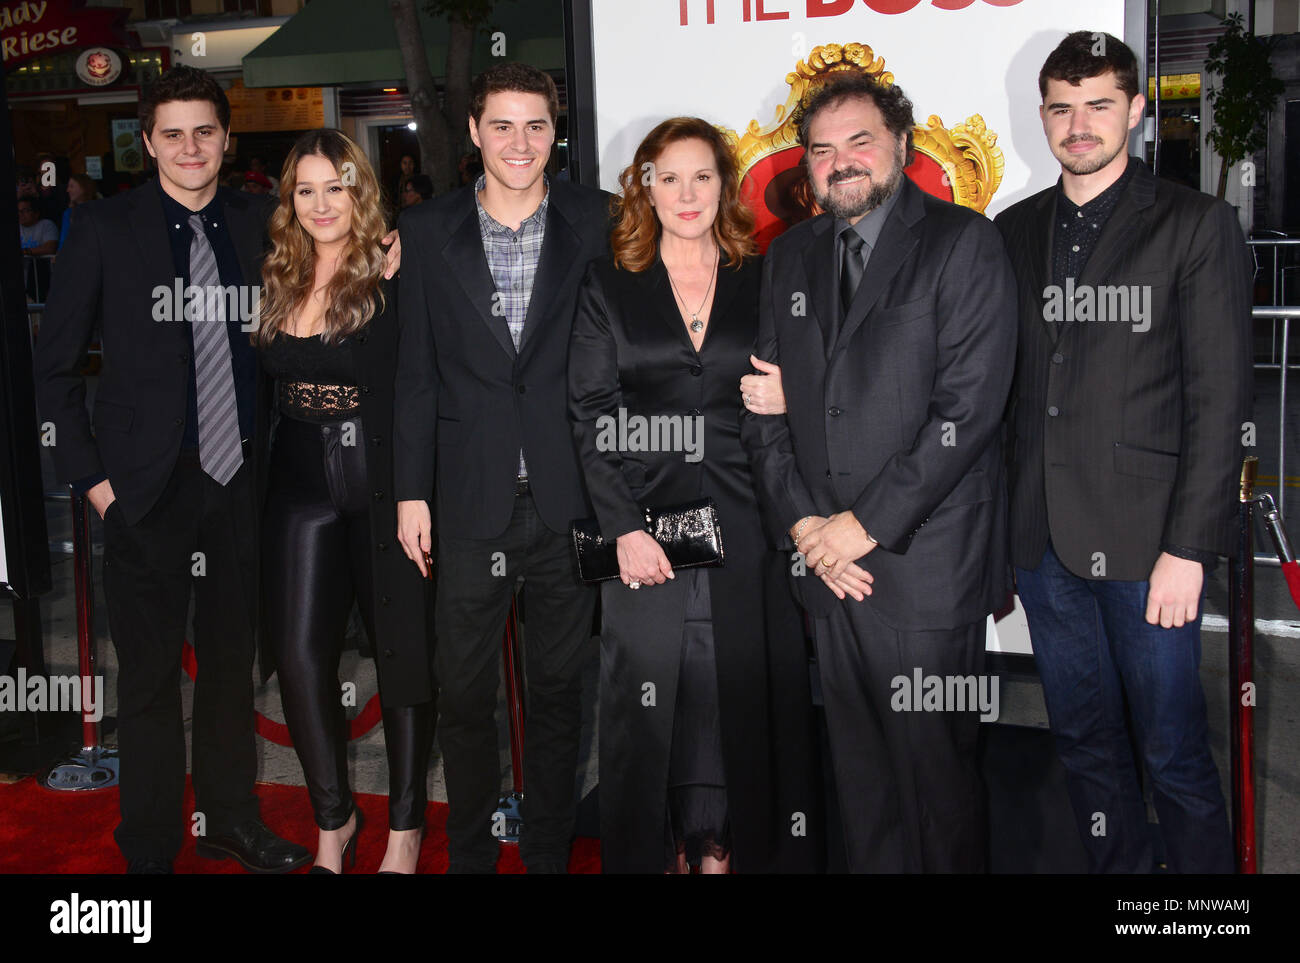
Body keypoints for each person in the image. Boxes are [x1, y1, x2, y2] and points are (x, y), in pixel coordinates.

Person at [33, 65, 398, 874]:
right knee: (152, 681)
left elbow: (336, 260)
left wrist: (388, 250)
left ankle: (230, 818)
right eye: (173, 133)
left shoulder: (261, 223)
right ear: (149, 142)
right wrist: (95, 485)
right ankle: (153, 844)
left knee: (236, 668)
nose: (190, 147)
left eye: (206, 131)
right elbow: (52, 371)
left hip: (244, 487)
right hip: (141, 492)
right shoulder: (104, 229)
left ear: (227, 140)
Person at [742, 71, 1017, 873]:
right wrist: (804, 528)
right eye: (821, 150)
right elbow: (763, 409)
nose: (840, 162)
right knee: (858, 782)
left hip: (921, 567)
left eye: (859, 141)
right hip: (826, 569)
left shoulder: (964, 243)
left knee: (937, 783)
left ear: (900, 142)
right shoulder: (788, 256)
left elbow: (965, 413)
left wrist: (857, 529)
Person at [993, 32, 1251, 874]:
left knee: (1174, 753)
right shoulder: (1014, 229)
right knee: (1083, 743)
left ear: (1137, 111)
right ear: (1042, 117)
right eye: (1062, 108)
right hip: (1043, 544)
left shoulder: (1195, 225)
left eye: (1099, 104)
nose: (1079, 125)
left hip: (1150, 546)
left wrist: (1191, 546)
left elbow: (1219, 401)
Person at [569, 117, 822, 873]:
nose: (686, 193)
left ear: (725, 186)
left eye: (702, 176)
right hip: (646, 527)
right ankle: (666, 849)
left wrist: (791, 398)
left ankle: (727, 850)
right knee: (654, 704)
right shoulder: (609, 281)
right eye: (668, 177)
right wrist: (623, 527)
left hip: (749, 521)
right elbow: (590, 412)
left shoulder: (763, 275)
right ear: (644, 186)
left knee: (736, 692)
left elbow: (801, 379)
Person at [394, 62, 610, 873]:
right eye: (503, 125)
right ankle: (473, 856)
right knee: (465, 696)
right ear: (475, 133)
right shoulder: (424, 232)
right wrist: (413, 490)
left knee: (559, 695)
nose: (520, 143)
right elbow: (415, 374)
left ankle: (549, 852)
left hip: (569, 500)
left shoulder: (600, 220)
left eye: (537, 126)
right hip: (466, 497)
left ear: (556, 134)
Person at [254, 129, 436, 874]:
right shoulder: (278, 269)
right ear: (290, 201)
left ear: (360, 191)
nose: (322, 203)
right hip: (296, 477)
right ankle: (334, 820)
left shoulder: (399, 262)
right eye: (306, 189)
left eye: (337, 187)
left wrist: (418, 493)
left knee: (401, 655)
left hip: (384, 474)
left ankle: (404, 829)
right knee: (297, 657)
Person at [59, 173, 100, 251]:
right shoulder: (68, 213)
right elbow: (64, 240)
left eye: (72, 186)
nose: (68, 190)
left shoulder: (98, 210)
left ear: (84, 188)